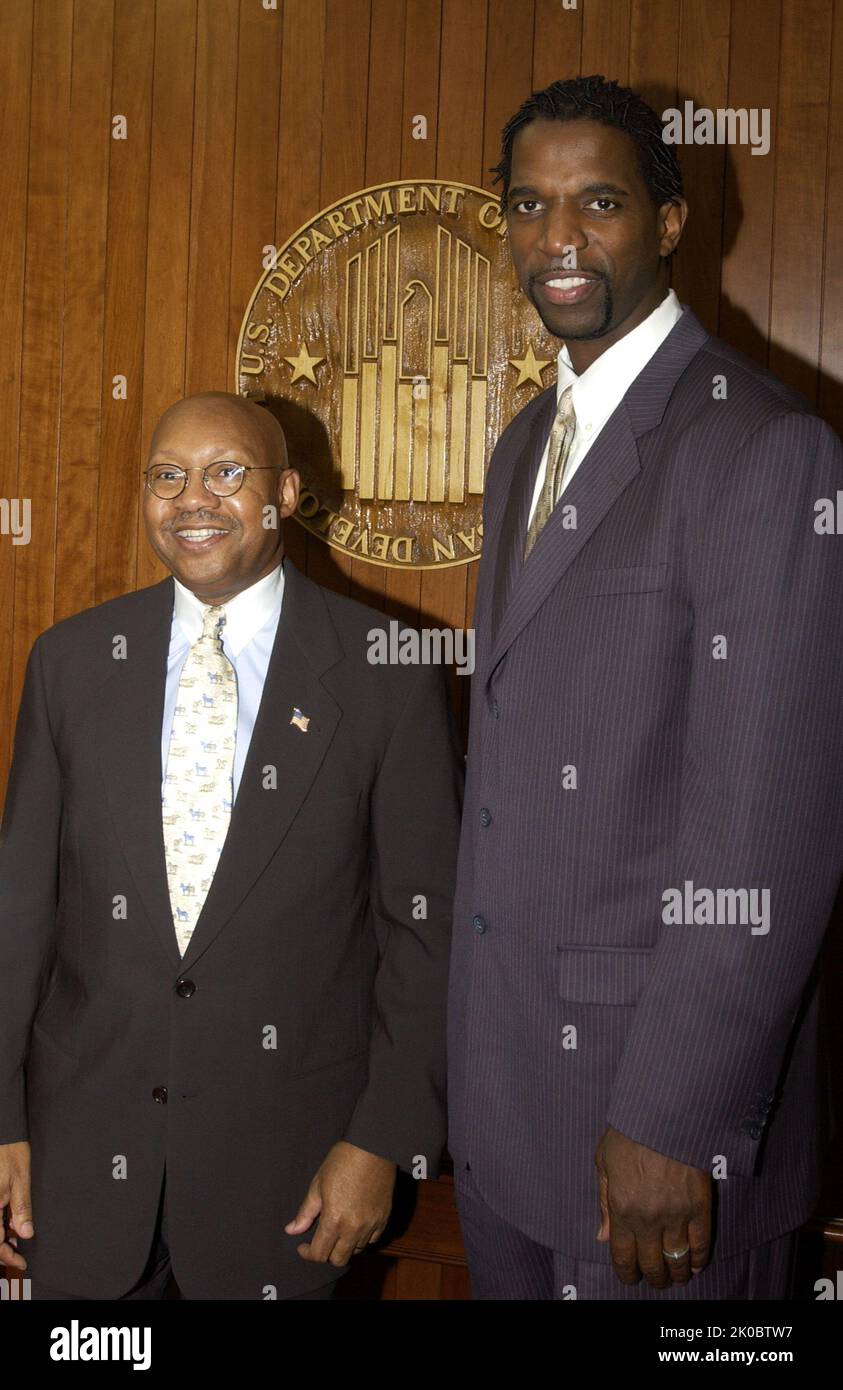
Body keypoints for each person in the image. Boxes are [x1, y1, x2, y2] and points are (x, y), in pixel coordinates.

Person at [447, 74, 843, 1300]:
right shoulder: (526, 442)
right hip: (510, 1119)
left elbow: (772, 830)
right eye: (528, 205)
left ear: (670, 222)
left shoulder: (767, 449)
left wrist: (678, 1116)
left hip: (657, 1147)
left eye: (599, 202)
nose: (555, 240)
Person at [0, 391, 463, 1300]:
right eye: (166, 476)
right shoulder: (71, 664)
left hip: (288, 1182)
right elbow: (20, 912)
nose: (191, 499)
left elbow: (427, 930)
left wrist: (382, 1137)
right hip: (81, 1170)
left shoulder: (386, 671)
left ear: (287, 493)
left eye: (224, 473)